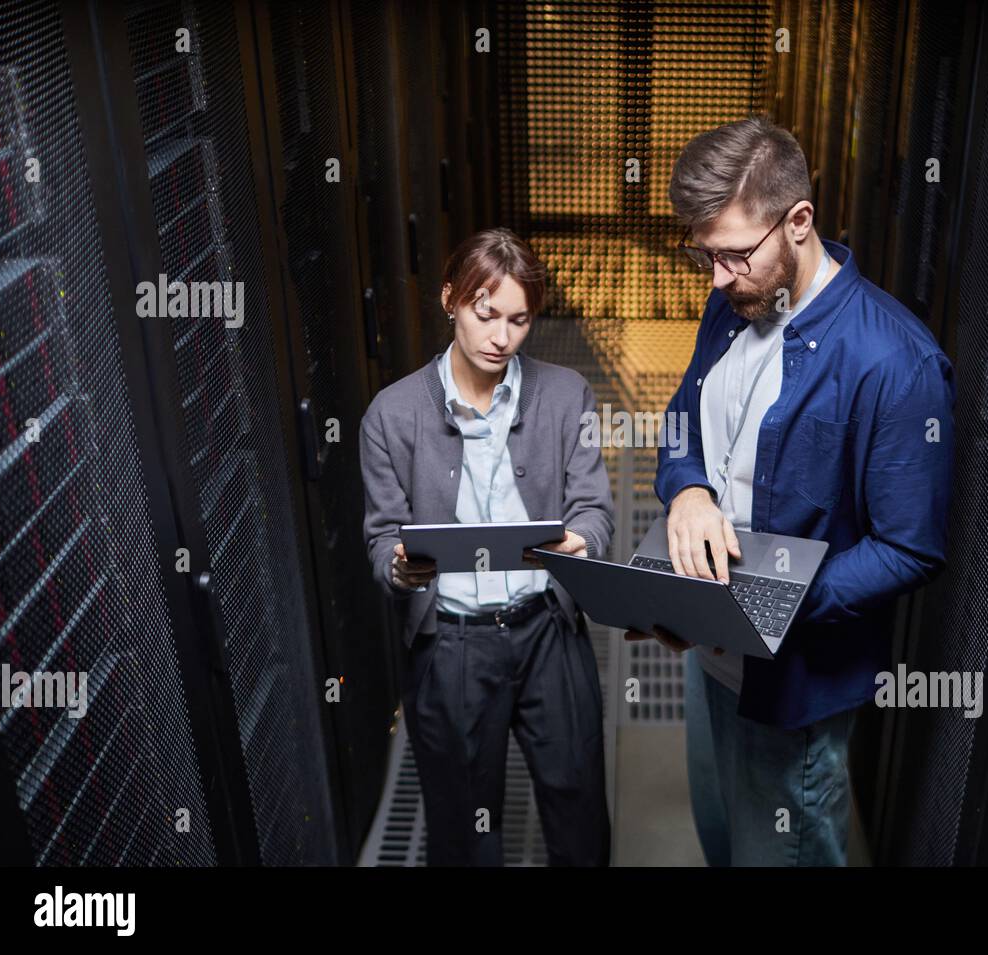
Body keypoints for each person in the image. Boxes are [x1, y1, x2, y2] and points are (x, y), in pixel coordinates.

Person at [626, 115, 956, 866]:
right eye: (704, 255)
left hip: (794, 692)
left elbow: (910, 549)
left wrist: (761, 607)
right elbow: (684, 422)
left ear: (799, 221)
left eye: (734, 254)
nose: (716, 278)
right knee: (722, 840)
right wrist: (687, 493)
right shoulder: (734, 301)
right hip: (708, 657)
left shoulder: (896, 364)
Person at [360, 227, 614, 866]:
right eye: (487, 314)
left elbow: (595, 508)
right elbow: (381, 537)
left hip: (547, 632)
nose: (502, 337)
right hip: (452, 646)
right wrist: (398, 567)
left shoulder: (565, 395)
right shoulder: (391, 416)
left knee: (579, 812)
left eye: (520, 320)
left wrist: (583, 542)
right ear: (451, 299)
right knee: (465, 834)